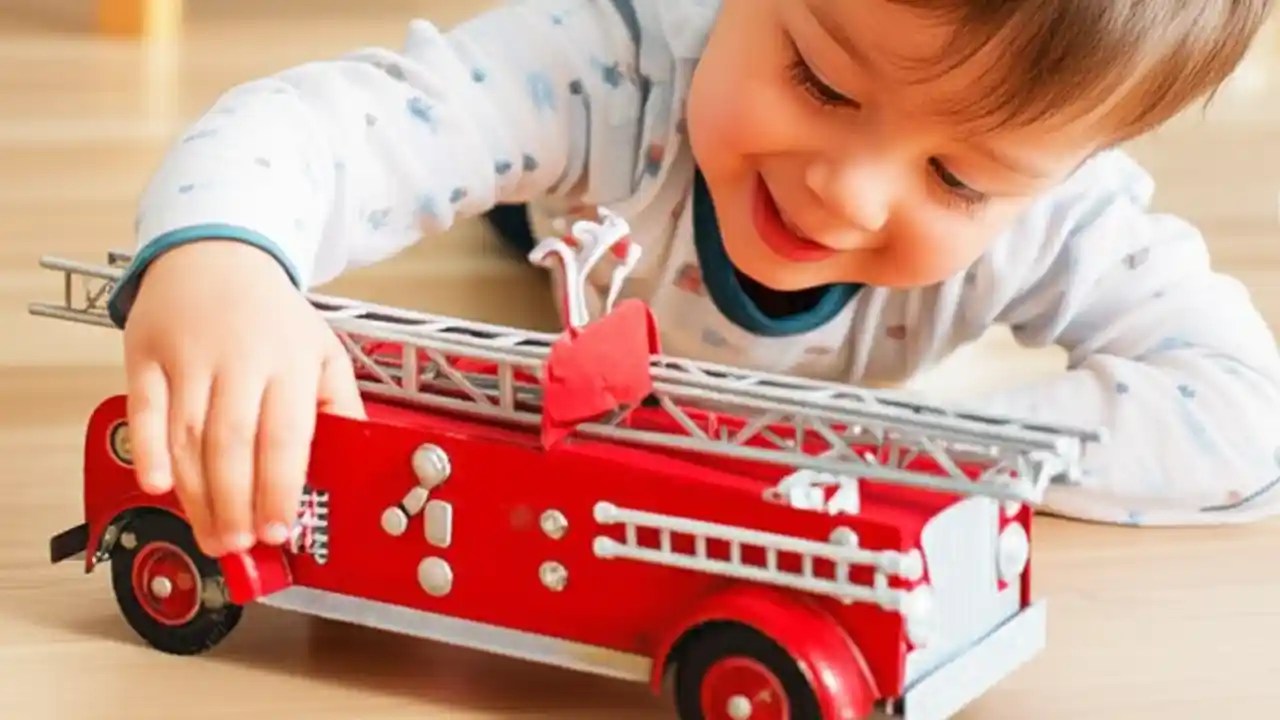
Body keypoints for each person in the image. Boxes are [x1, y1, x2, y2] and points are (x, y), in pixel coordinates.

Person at [107, 0, 1280, 557]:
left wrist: (913, 442)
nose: (851, 194)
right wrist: (227, 260)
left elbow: (1243, 416)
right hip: (588, 205)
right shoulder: (603, 66)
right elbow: (318, 132)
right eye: (820, 83)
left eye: (958, 180)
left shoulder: (1057, 209)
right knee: (522, 215)